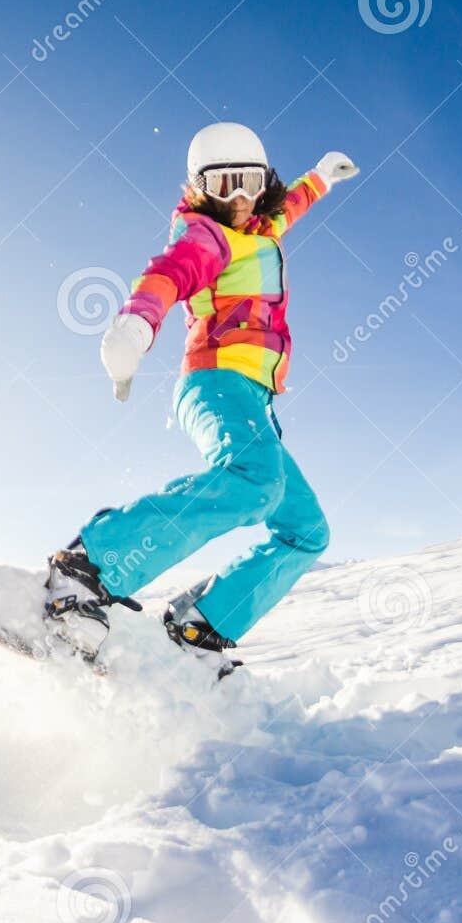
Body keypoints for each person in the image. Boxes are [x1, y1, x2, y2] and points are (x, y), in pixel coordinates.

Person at [44, 122, 359, 666]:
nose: (238, 197)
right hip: (214, 382)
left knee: (306, 530)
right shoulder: (204, 235)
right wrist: (137, 324)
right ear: (200, 188)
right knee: (256, 484)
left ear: (264, 182)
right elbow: (170, 273)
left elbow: (292, 206)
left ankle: (202, 624)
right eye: (223, 184)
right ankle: (90, 565)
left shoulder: (261, 228)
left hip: (255, 401)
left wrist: (321, 178)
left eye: (249, 181)